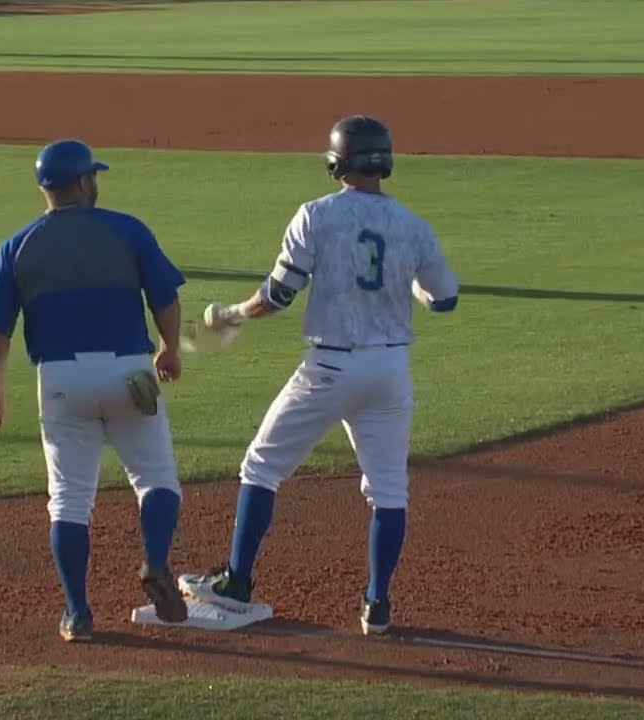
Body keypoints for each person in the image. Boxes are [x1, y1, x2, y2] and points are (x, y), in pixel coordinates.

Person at [177, 115, 460, 636]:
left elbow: (278, 296)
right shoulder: (412, 226)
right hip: (391, 371)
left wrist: (231, 315)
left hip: (331, 367)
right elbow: (444, 298)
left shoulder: (317, 216)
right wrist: (415, 290)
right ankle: (377, 604)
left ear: (336, 162)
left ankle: (237, 583)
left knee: (262, 465)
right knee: (389, 490)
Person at [0, 139, 190, 642]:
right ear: (82, 182)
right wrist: (170, 348)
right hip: (130, 375)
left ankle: (77, 613)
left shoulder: (18, 245)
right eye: (93, 176)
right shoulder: (126, 228)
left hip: (61, 382)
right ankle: (156, 562)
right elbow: (166, 297)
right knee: (156, 478)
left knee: (69, 502)